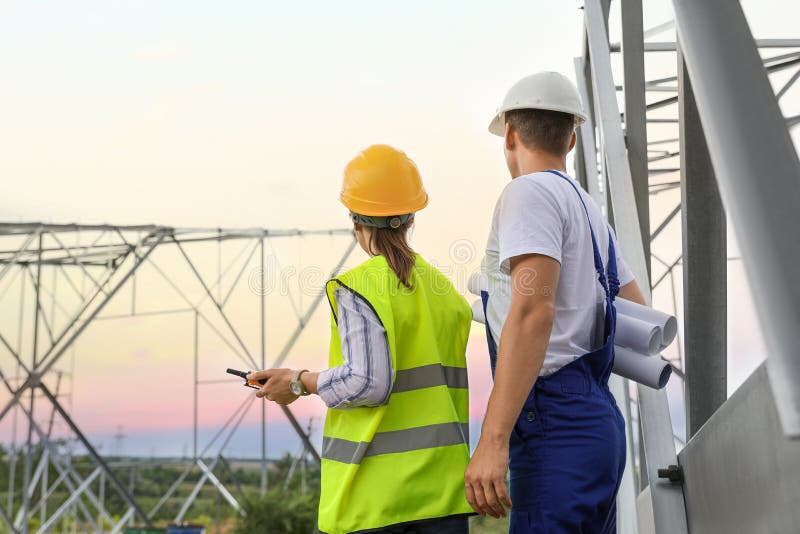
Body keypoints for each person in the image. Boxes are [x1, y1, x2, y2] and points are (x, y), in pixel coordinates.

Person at [248, 144, 474, 534]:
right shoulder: (446, 294)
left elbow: (367, 382)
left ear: (356, 220)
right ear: (410, 218)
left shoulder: (360, 287)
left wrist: (298, 381)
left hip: (374, 505)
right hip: (442, 501)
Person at [464, 72, 647, 533]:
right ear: (571, 138)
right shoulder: (588, 210)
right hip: (598, 424)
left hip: (553, 422)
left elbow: (534, 311)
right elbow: (636, 309)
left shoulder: (527, 193)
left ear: (509, 133)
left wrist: (492, 439)